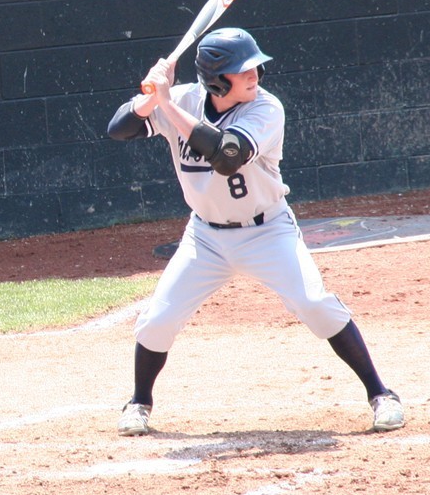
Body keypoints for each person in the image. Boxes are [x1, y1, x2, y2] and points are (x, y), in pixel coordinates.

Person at [105, 27, 405, 436]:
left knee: (314, 303)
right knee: (158, 318)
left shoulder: (266, 109)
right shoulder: (183, 99)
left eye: (254, 67)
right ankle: (139, 402)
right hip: (205, 238)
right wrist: (149, 99)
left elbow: (227, 156)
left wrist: (165, 102)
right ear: (215, 80)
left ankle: (381, 393)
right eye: (242, 70)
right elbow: (118, 129)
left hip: (268, 232)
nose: (255, 74)